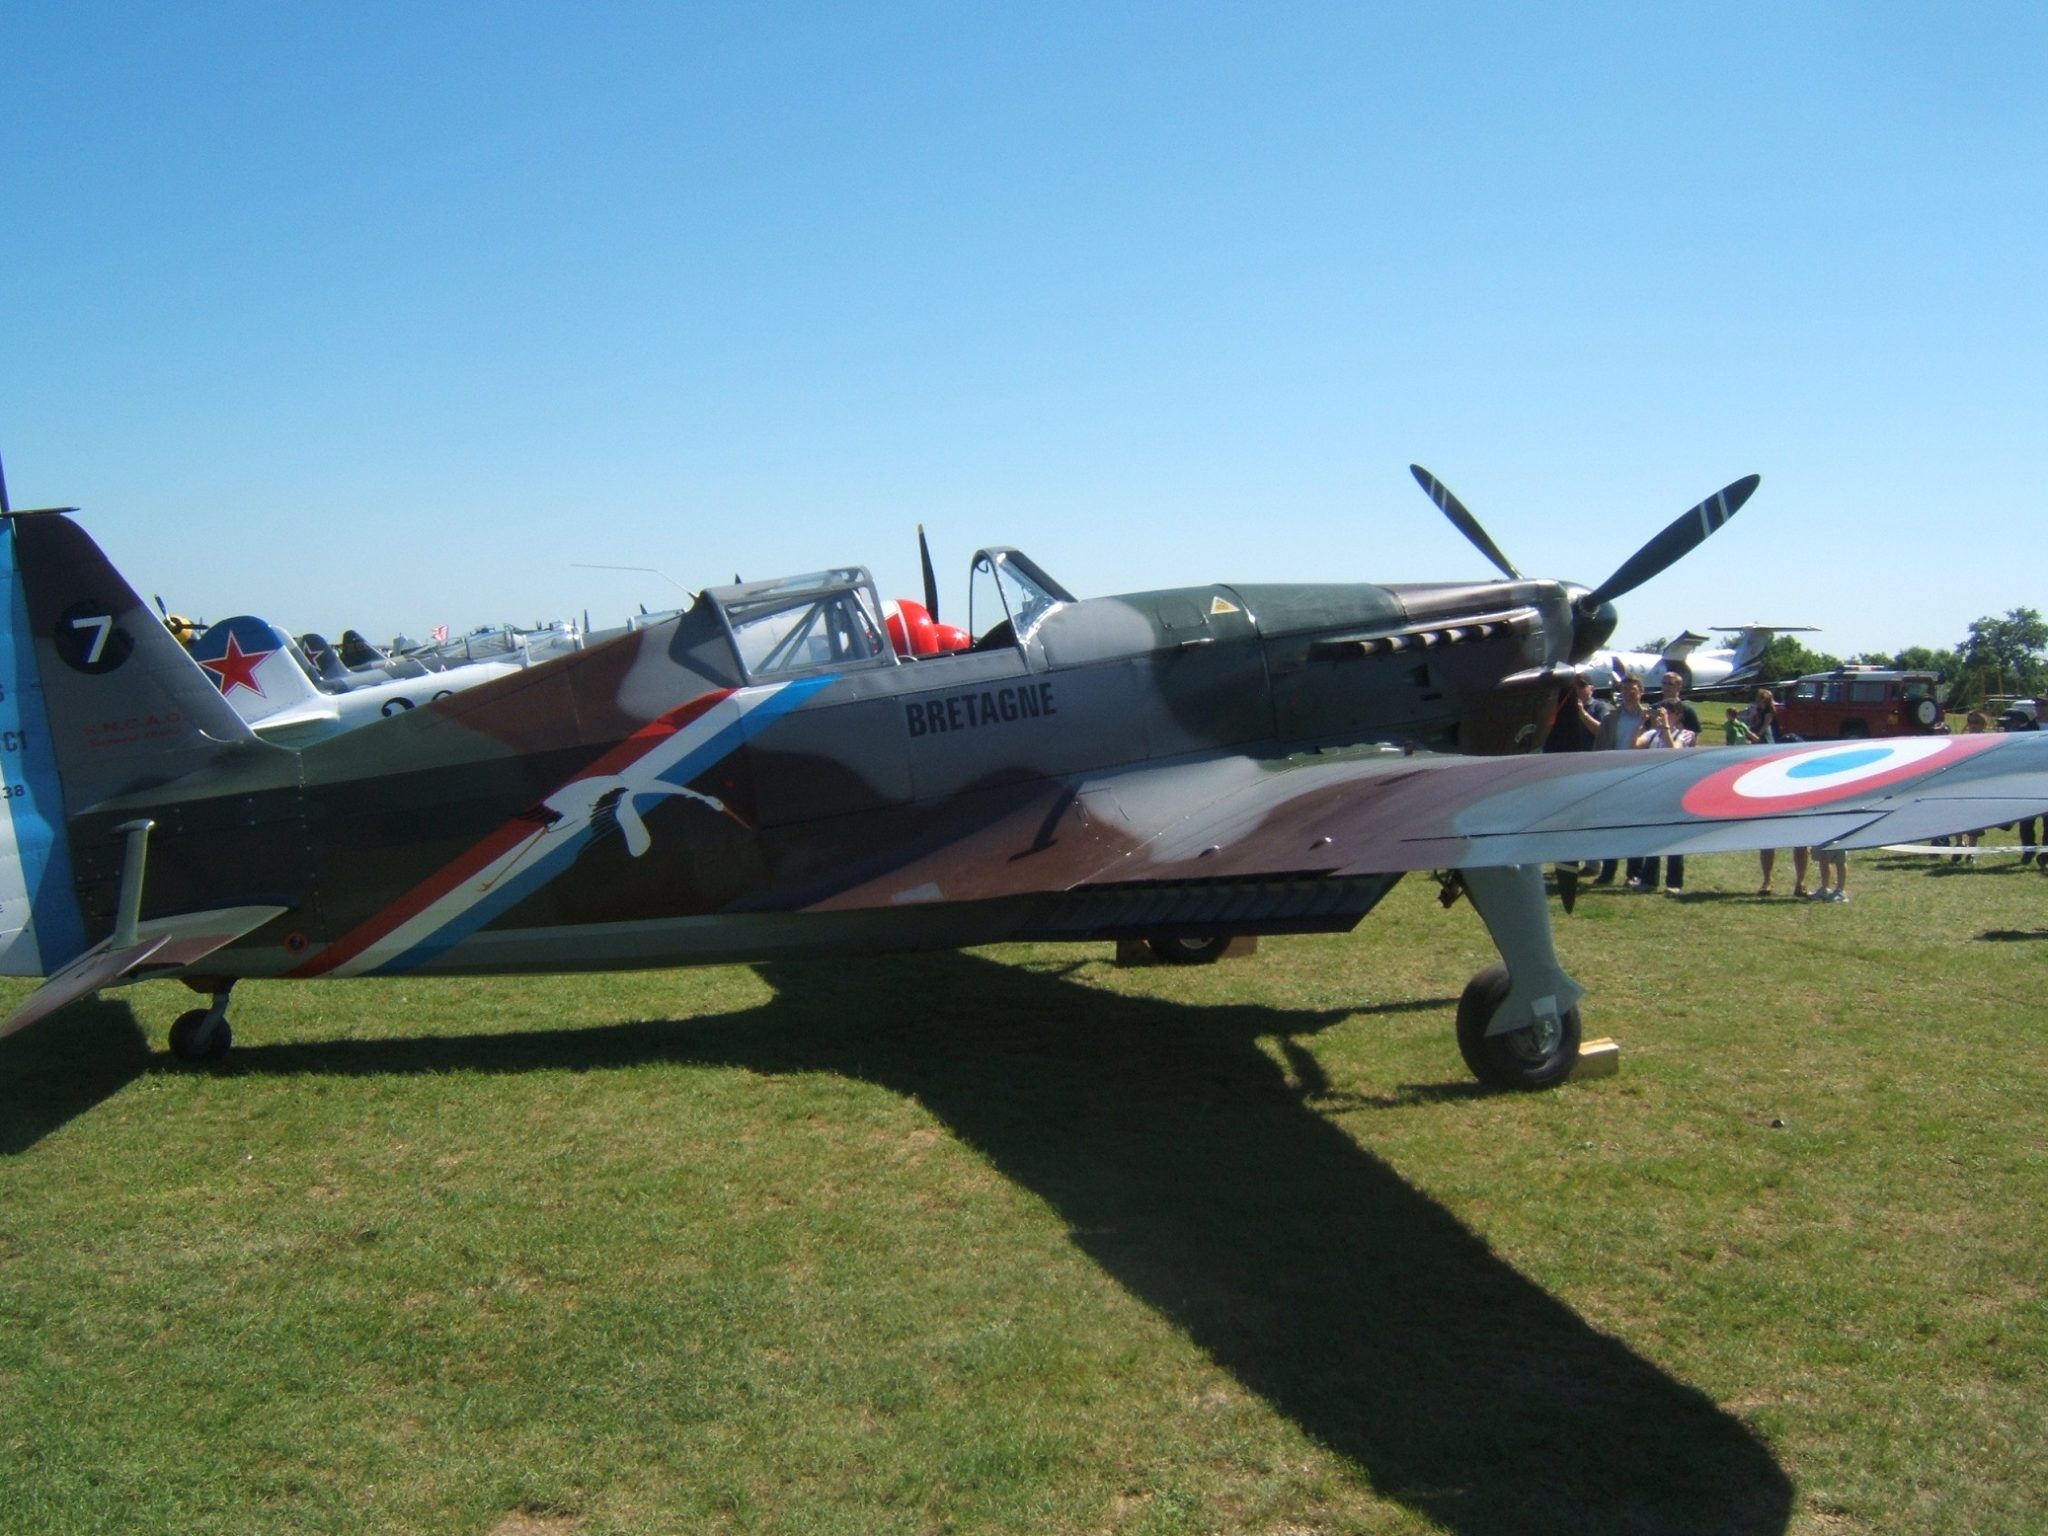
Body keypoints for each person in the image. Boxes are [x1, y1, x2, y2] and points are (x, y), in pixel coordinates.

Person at [1627, 692, 1696, 893]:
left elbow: (1674, 752)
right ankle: (1649, 879)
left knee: (1674, 836)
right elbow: (1633, 747)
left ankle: (1674, 883)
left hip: (1675, 790)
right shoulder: (1652, 734)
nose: (1660, 716)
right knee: (1652, 833)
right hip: (1654, 789)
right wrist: (1641, 723)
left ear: (1678, 714)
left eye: (1666, 713)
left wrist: (1666, 725)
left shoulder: (1685, 734)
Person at [1591, 676, 1648, 884]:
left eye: (1632, 689)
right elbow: (1599, 749)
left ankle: (1634, 873)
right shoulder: (1610, 718)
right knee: (1611, 826)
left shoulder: (1649, 717)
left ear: (1641, 691)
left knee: (1636, 827)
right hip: (1614, 777)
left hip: (1641, 778)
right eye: (1624, 689)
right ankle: (1608, 872)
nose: (1628, 693)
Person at [1544, 677, 1609, 753]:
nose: (1577, 689)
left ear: (1592, 689)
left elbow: (1603, 732)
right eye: (1574, 687)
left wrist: (1583, 714)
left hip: (1589, 754)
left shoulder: (1600, 706)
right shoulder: (1565, 707)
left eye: (1581, 685)